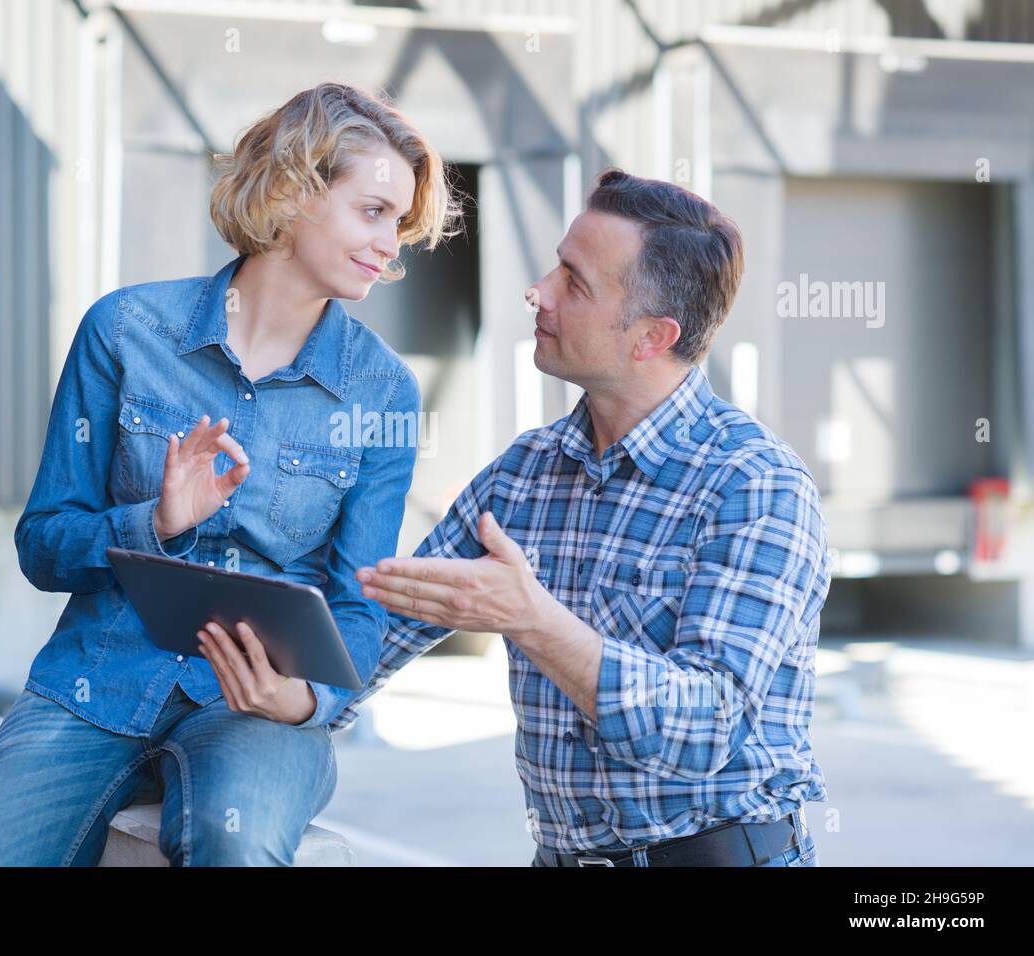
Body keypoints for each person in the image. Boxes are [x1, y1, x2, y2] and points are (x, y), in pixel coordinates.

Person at [0, 82, 461, 866]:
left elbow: (359, 609)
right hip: (96, 683)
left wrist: (303, 703)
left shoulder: (382, 389)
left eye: (398, 222)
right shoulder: (125, 331)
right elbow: (42, 544)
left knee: (240, 843)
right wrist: (154, 524)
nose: (391, 243)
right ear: (293, 191)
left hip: (256, 712)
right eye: (372, 212)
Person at [337, 168, 829, 867]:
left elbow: (707, 727)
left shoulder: (755, 484)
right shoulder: (522, 474)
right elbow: (377, 629)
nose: (538, 290)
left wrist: (532, 618)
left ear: (652, 337)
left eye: (575, 280)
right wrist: (284, 697)